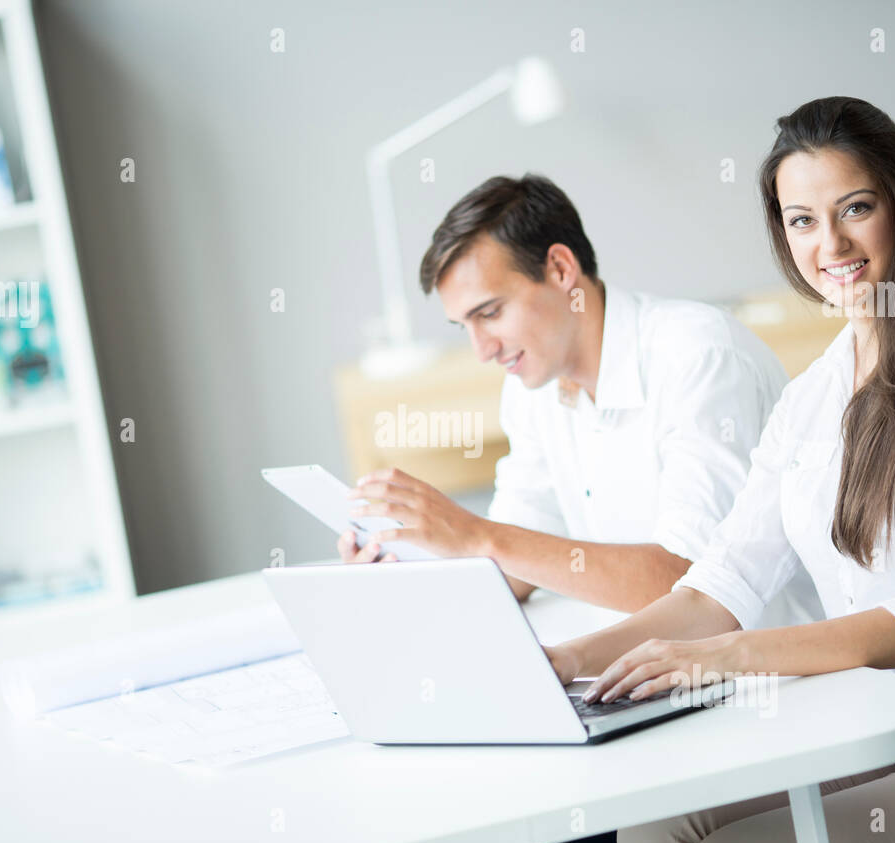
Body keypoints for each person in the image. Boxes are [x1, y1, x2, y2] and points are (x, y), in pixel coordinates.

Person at [546, 96, 895, 843]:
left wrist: (724, 659)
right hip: (884, 731)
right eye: (801, 219)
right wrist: (570, 661)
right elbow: (718, 585)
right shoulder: (812, 397)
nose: (829, 243)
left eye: (854, 208)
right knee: (655, 827)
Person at [340, 174, 820, 628]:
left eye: (490, 313)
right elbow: (517, 562)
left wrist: (476, 534)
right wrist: (407, 565)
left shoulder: (700, 355)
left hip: (774, 675)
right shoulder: (534, 385)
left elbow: (692, 587)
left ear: (560, 269)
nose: (482, 349)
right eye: (464, 326)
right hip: (652, 666)